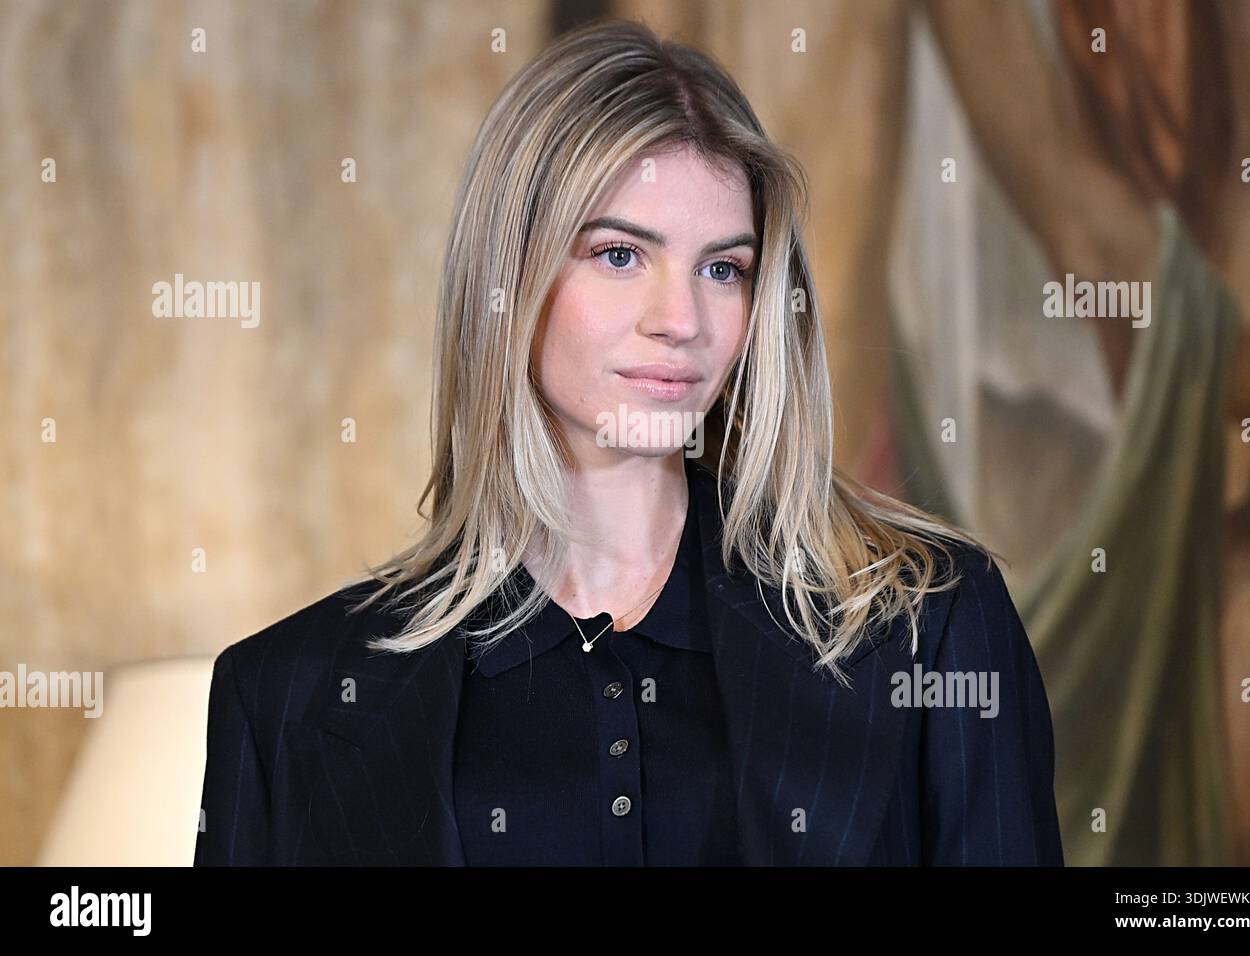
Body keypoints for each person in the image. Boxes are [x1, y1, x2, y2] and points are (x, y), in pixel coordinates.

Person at [193, 18, 1062, 867]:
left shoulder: (930, 626)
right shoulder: (285, 699)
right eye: (619, 255)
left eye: (723, 269)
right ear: (509, 277)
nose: (680, 321)